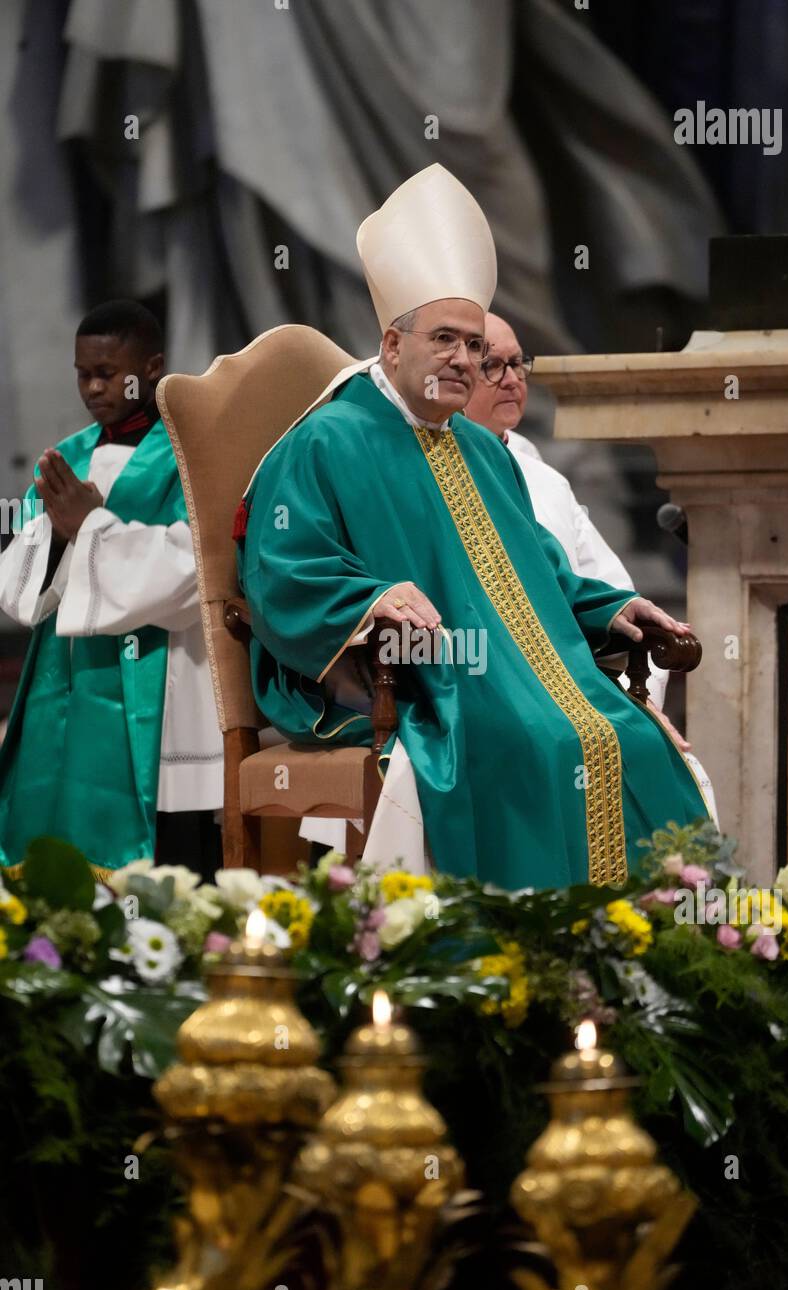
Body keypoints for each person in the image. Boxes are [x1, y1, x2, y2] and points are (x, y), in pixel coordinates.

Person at [236, 165, 712, 891]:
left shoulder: (485, 449)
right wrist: (371, 600)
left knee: (633, 739)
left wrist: (609, 607)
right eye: (445, 341)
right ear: (392, 347)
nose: (464, 360)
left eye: (475, 347)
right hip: (418, 681)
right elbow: (279, 569)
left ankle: (644, 961)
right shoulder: (325, 441)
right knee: (533, 741)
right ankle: (513, 957)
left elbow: (539, 573)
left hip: (525, 675)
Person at [0, 300, 223, 879]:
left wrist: (91, 529)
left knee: (174, 863)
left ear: (152, 367)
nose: (94, 388)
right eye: (83, 373)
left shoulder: (192, 455)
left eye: (108, 373)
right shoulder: (66, 460)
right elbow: (20, 590)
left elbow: (194, 568)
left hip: (165, 685)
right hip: (73, 683)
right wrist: (54, 531)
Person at [465, 312, 676, 727]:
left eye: (517, 363)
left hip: (578, 683)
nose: (511, 380)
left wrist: (638, 702)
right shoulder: (435, 472)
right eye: (492, 366)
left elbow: (612, 592)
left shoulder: (548, 481)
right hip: (494, 685)